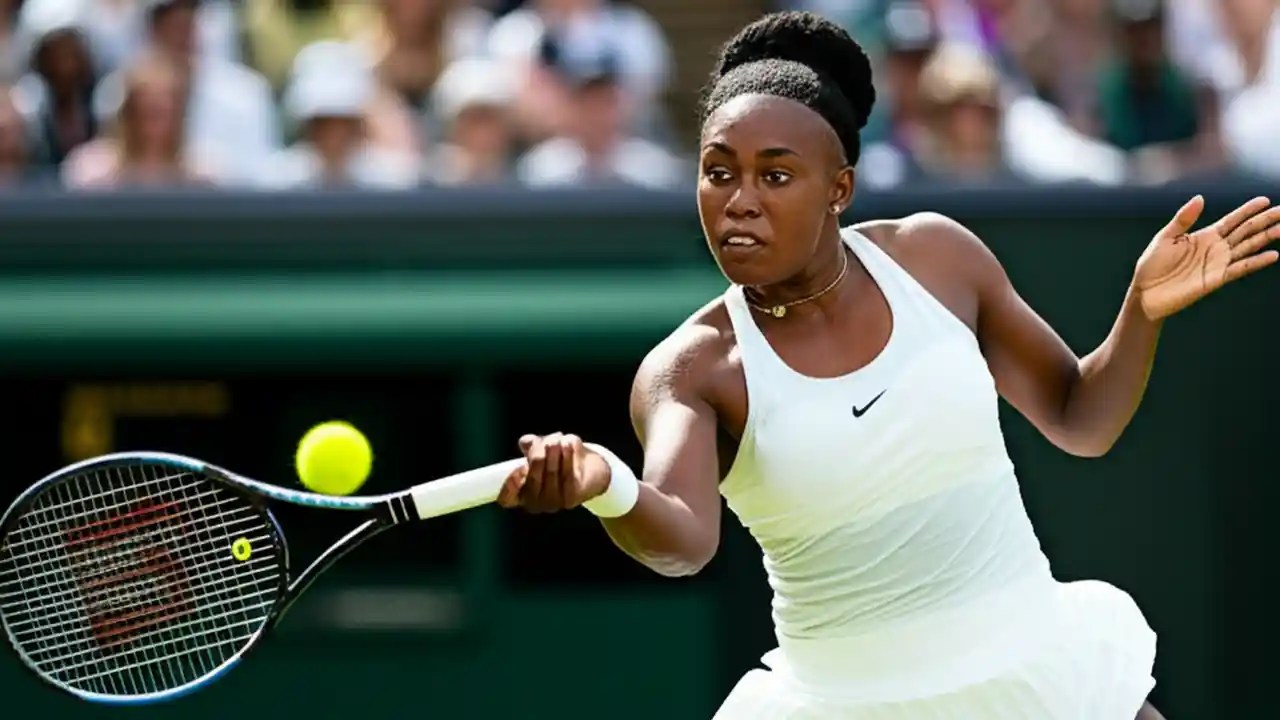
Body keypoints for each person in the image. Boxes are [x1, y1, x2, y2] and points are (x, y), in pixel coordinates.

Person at [496, 11, 1279, 719]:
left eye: (774, 175)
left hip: (1040, 673)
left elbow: (1083, 418)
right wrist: (606, 485)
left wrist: (1138, 313)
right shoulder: (694, 368)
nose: (738, 200)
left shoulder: (937, 259)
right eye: (718, 170)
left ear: (839, 189)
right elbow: (683, 539)